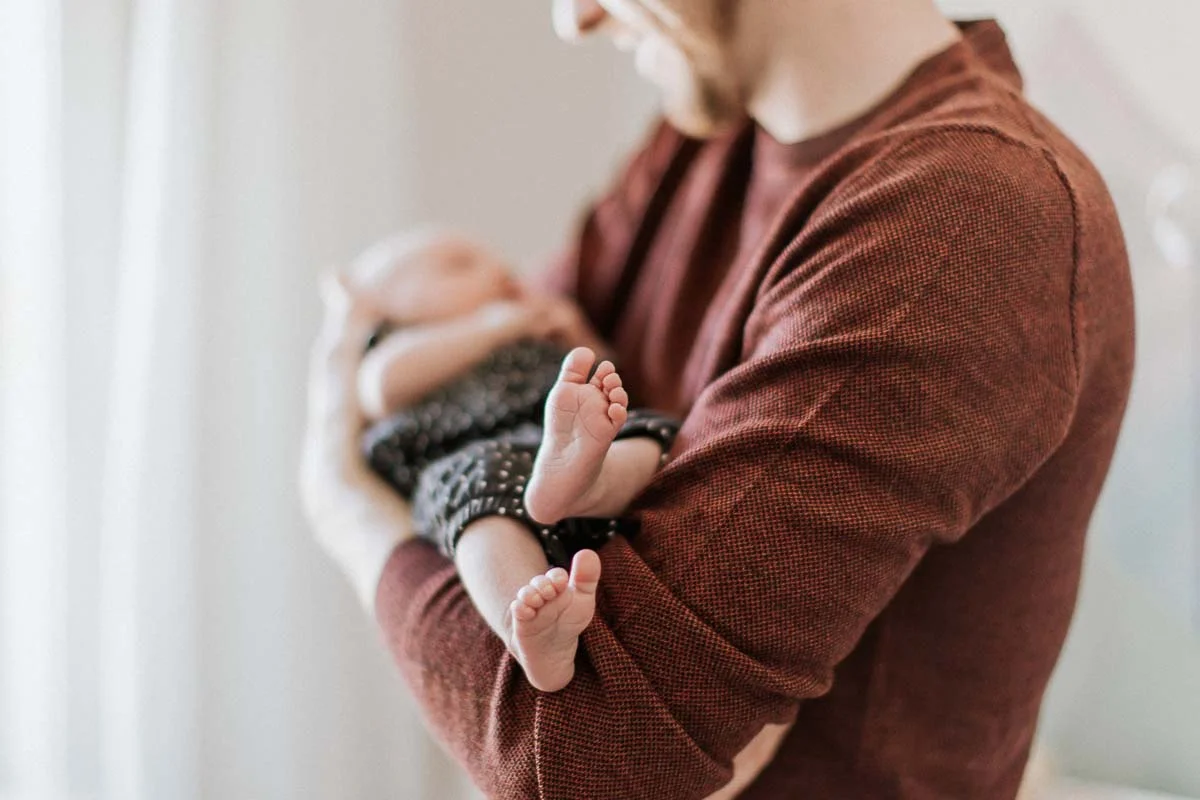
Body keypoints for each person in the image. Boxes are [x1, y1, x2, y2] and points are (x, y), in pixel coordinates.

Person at [300, 1, 1135, 798]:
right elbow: (495, 392)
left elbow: (582, 759)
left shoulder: (963, 218)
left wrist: (351, 510)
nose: (576, 18)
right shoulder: (707, 130)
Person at [347, 230, 683, 695]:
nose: (498, 269)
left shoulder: (533, 327)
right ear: (392, 310)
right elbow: (382, 386)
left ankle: (588, 483)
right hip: (475, 463)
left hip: (558, 449)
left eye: (495, 259)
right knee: (476, 512)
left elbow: (612, 381)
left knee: (651, 432)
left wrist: (575, 335)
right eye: (459, 265)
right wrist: (496, 326)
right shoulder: (398, 350)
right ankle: (525, 622)